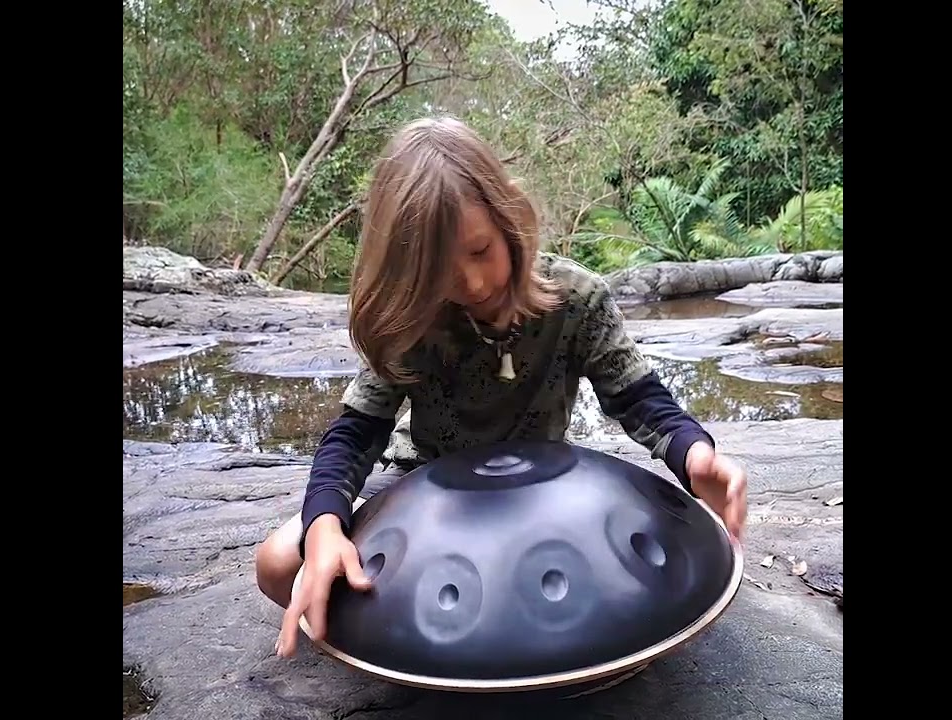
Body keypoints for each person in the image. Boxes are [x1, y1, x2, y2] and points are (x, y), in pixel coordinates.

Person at [257, 116, 748, 658]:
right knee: (278, 564)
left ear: (509, 215)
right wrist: (325, 527)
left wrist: (693, 454)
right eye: (441, 271)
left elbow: (636, 397)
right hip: (422, 483)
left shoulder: (576, 298)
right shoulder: (413, 317)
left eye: (480, 250)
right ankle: (399, 652)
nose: (471, 283)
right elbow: (356, 434)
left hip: (543, 485)